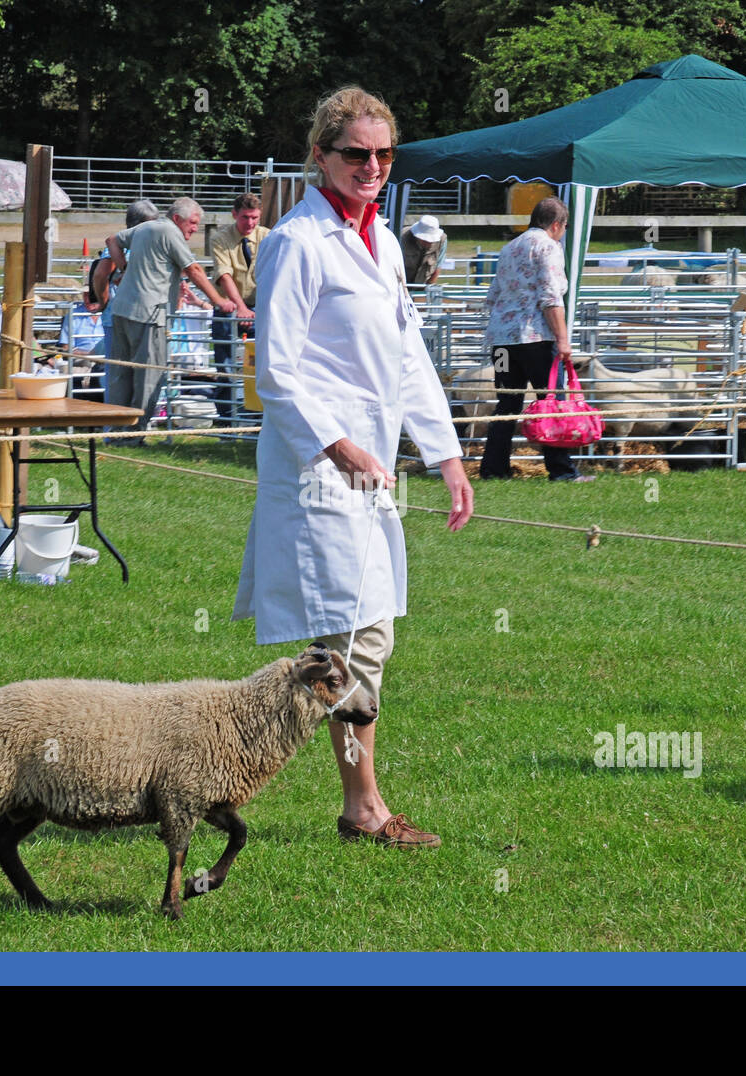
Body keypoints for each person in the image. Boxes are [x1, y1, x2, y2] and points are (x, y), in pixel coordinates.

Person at [233, 85, 473, 849]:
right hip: (321, 472)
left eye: (382, 153)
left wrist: (447, 454)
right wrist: (336, 445)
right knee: (352, 642)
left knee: (353, 643)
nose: (371, 166)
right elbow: (277, 372)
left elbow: (407, 358)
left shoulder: (383, 242)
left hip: (373, 472)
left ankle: (214, 766)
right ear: (320, 156)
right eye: (355, 153)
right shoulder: (296, 242)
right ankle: (358, 806)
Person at [479, 196, 591, 482]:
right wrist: (563, 340)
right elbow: (551, 298)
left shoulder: (508, 248)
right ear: (557, 224)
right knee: (552, 401)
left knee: (506, 404)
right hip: (535, 338)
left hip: (503, 340)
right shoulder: (548, 247)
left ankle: (494, 470)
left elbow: (493, 296)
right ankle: (562, 471)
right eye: (564, 227)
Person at [104, 198, 236, 430]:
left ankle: (115, 431)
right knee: (149, 377)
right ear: (177, 219)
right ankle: (134, 434)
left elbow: (112, 240)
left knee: (120, 374)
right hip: (149, 314)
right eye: (193, 223)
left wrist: (124, 268)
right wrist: (218, 301)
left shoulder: (145, 227)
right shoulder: (170, 232)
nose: (196, 228)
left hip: (121, 310)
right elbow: (193, 269)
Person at [209, 193, 270, 420]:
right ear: (234, 215)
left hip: (260, 308)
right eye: (245, 217)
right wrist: (240, 307)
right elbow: (224, 275)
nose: (250, 223)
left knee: (262, 364)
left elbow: (273, 273)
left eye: (255, 217)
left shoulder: (268, 237)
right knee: (225, 366)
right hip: (229, 308)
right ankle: (226, 418)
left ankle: (258, 416)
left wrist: (259, 309)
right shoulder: (220, 239)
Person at [99, 200, 159, 405]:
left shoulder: (144, 245)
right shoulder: (120, 246)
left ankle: (130, 430)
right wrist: (103, 302)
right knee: (117, 375)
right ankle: (112, 431)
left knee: (137, 375)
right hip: (117, 318)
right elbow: (101, 275)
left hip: (139, 315)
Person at [400, 214, 446, 284]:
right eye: (424, 240)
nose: (428, 243)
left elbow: (438, 265)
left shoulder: (442, 241)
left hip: (423, 286)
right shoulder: (402, 236)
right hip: (400, 284)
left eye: (431, 240)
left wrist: (428, 289)